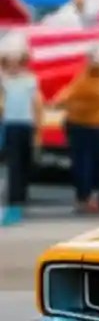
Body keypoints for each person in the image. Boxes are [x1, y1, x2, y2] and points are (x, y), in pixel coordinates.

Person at [52, 42, 99, 214]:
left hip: (97, 125)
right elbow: (67, 94)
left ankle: (92, 197)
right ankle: (84, 198)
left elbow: (67, 95)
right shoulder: (87, 77)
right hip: (80, 123)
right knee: (83, 163)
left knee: (96, 162)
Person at [0, 33, 43, 225]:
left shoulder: (31, 80)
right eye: (9, 62)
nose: (14, 66)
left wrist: (38, 130)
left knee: (25, 164)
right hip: (11, 125)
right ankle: (13, 203)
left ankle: (21, 199)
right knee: (14, 166)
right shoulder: (3, 81)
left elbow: (37, 105)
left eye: (17, 62)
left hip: (27, 125)